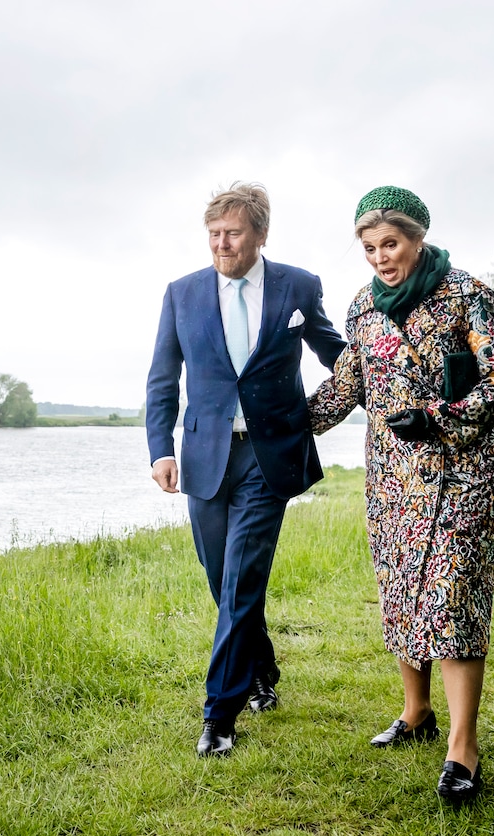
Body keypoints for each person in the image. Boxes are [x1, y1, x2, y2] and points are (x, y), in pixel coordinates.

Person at [307, 186, 494, 804]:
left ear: (418, 237)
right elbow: (345, 386)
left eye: (390, 244)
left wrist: (438, 418)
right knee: (402, 593)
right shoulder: (362, 311)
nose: (380, 257)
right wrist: (275, 425)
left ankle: (463, 747)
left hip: (464, 474)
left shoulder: (468, 294)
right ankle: (415, 712)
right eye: (370, 248)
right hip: (393, 478)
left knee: (452, 601)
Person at [146, 182, 346, 757]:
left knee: (240, 581)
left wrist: (383, 372)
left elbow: (333, 350)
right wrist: (161, 449)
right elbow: (163, 379)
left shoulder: (299, 287)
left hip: (267, 457)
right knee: (219, 579)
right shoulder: (181, 294)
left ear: (260, 234)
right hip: (205, 458)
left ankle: (219, 715)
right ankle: (259, 665)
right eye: (213, 234)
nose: (221, 244)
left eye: (232, 233)